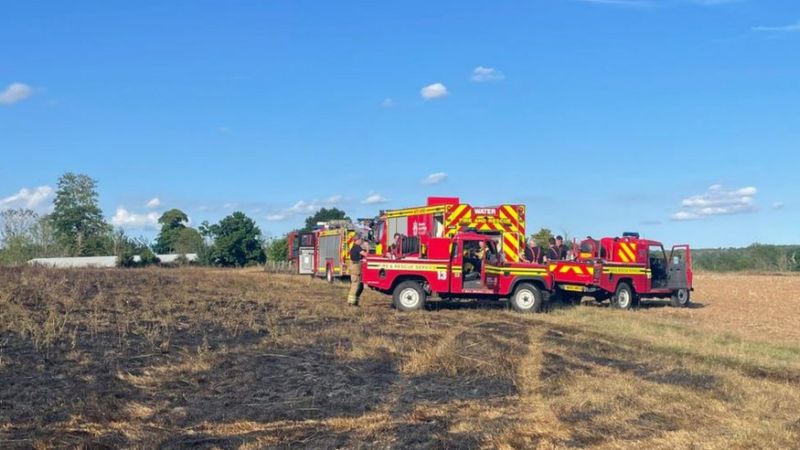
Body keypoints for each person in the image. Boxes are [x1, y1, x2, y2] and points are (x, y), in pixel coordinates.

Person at [347, 236, 368, 306]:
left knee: (358, 285)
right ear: (357, 240)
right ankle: (351, 303)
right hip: (355, 268)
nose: (361, 241)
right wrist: (367, 248)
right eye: (360, 240)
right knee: (355, 285)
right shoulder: (357, 247)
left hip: (355, 268)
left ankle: (354, 302)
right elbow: (365, 254)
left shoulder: (354, 247)